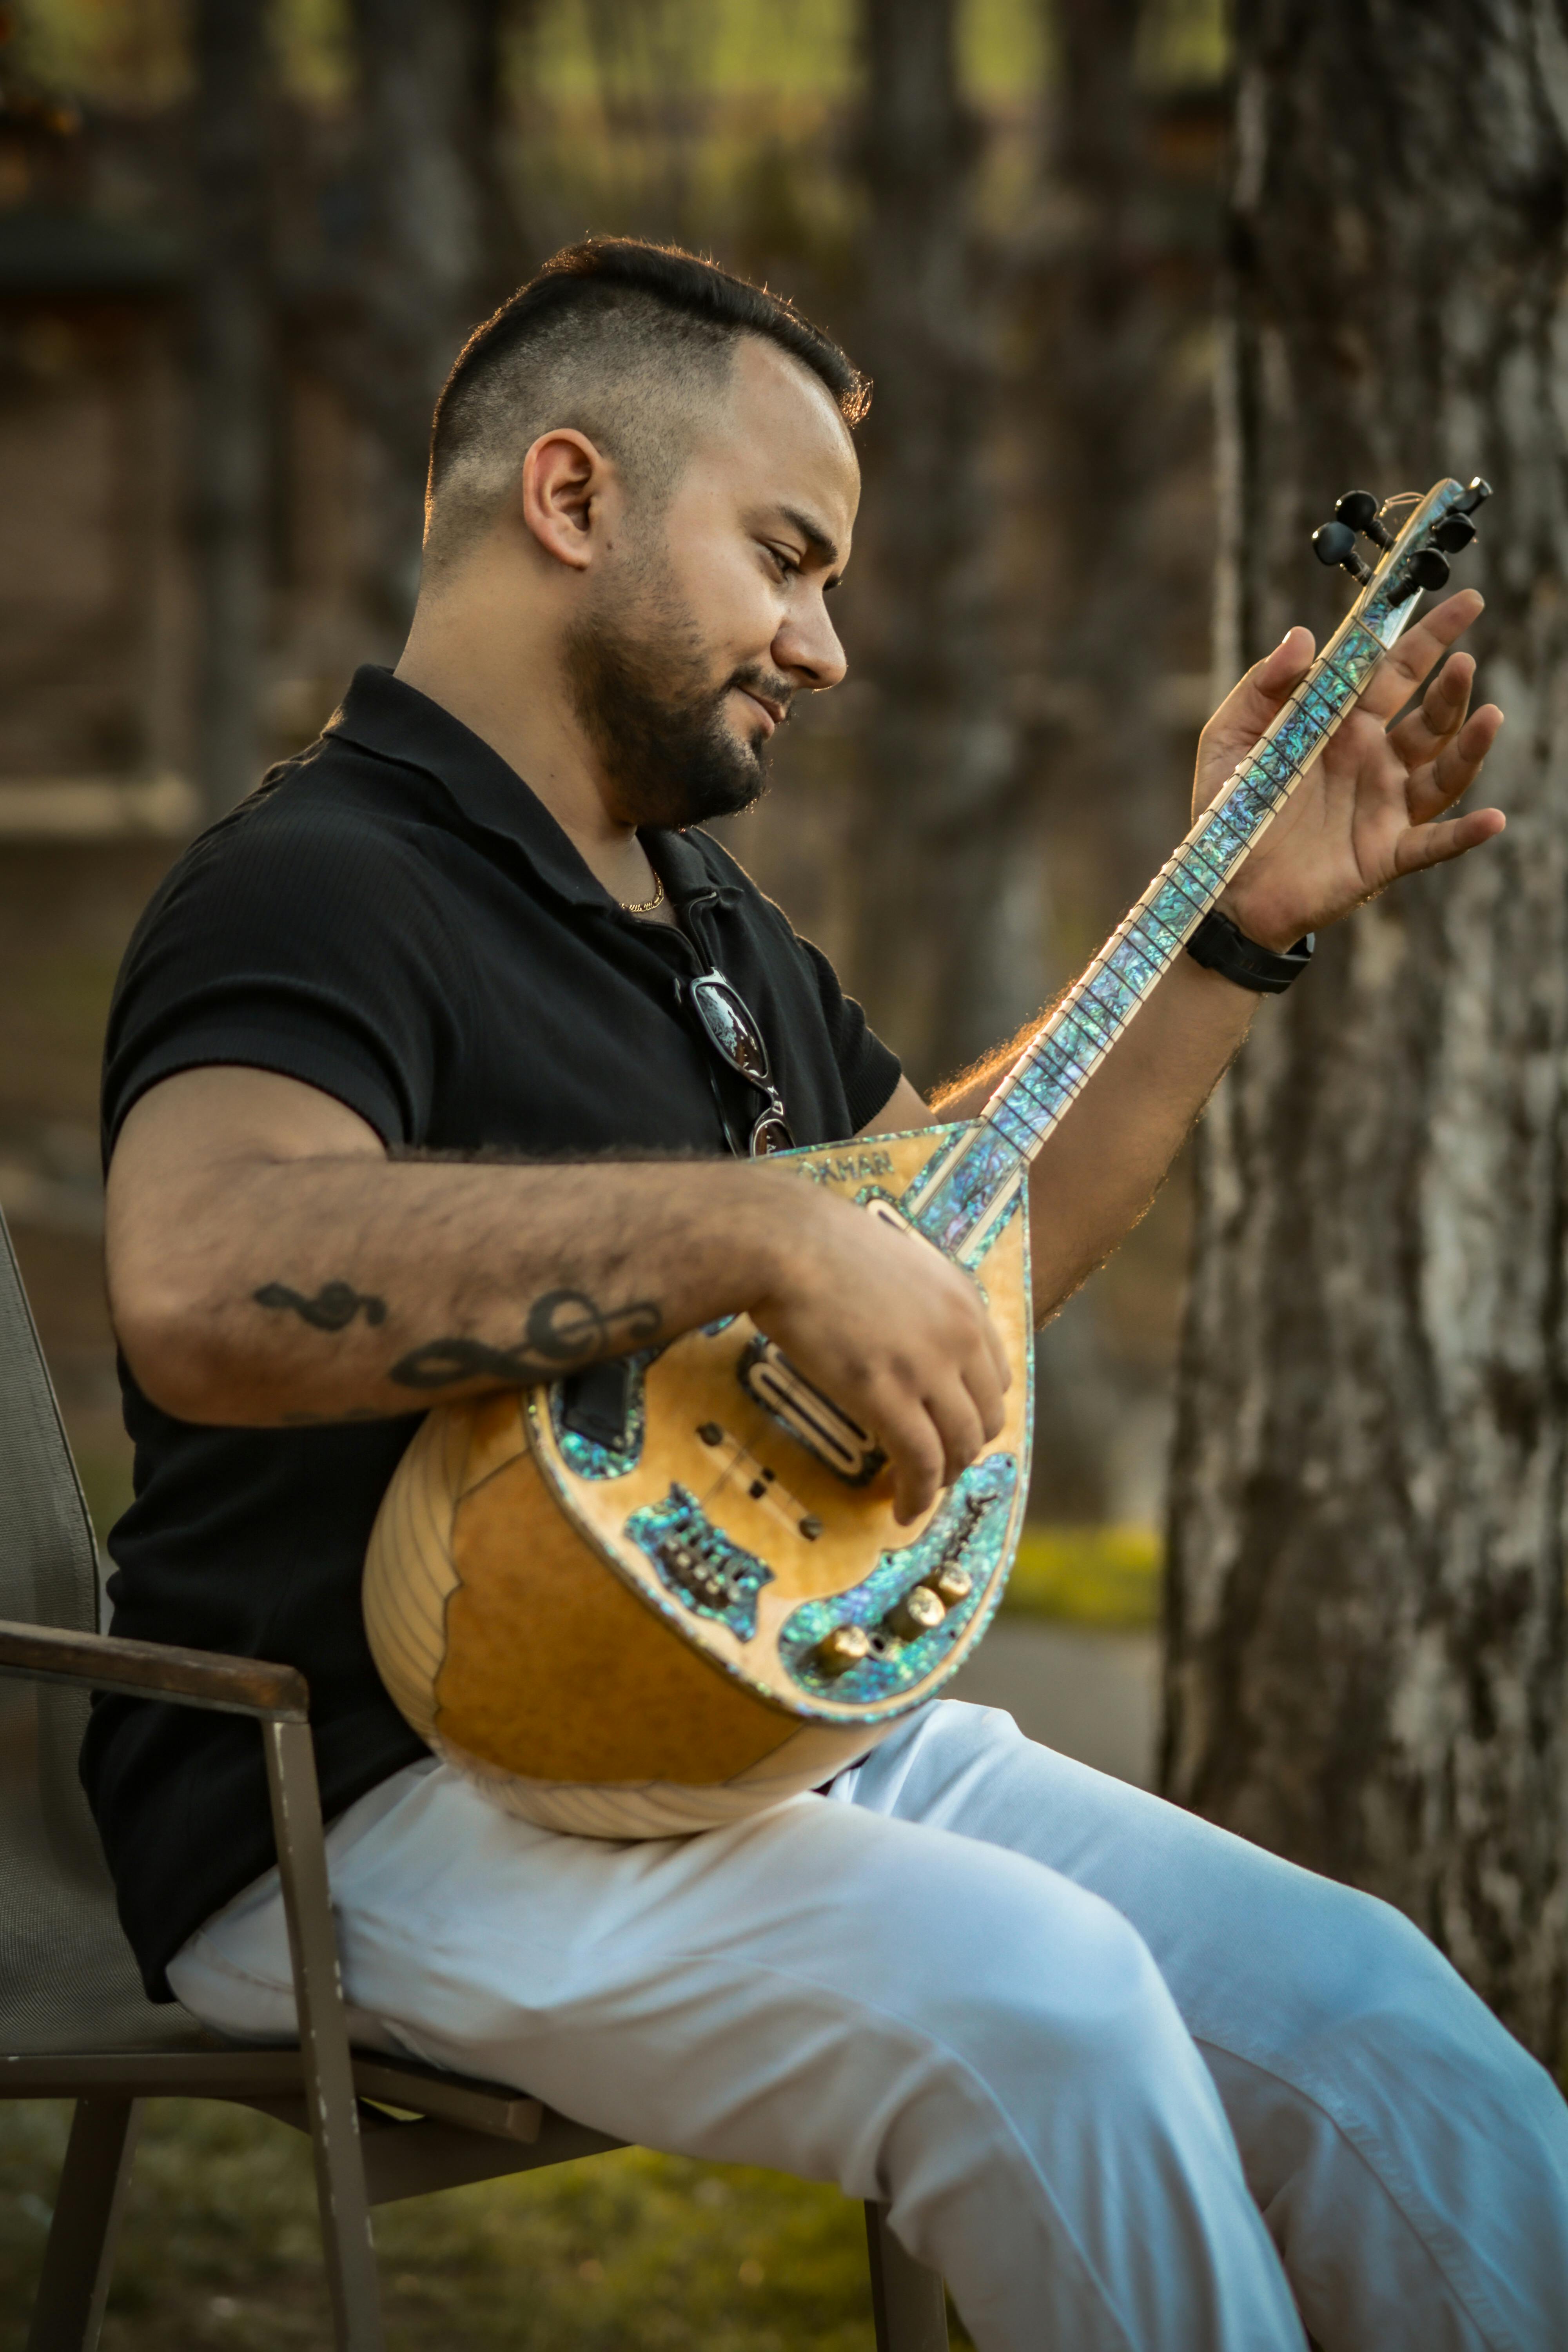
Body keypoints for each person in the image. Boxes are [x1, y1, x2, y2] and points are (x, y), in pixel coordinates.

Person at [88, 236, 1565, 2351]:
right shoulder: (317, 884)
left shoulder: (707, 925)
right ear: (573, 500)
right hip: (367, 1796)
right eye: (788, 558)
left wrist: (1228, 936)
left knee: (1367, 2018)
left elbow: (963, 1266)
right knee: (1043, 2015)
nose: (829, 644)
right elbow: (198, 1276)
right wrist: (750, 1232)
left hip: (743, 1719)